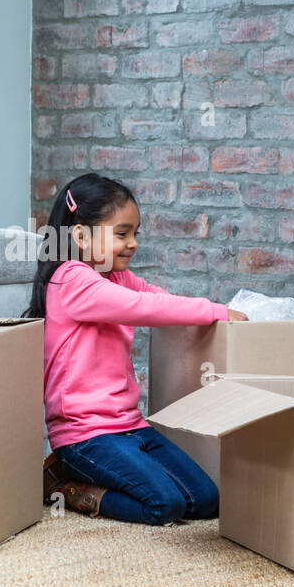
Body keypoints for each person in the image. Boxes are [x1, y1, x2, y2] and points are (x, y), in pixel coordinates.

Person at [27, 173, 247, 525]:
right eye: (121, 233)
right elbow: (145, 309)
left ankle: (92, 477)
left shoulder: (114, 277)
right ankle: (68, 487)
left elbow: (157, 298)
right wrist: (215, 311)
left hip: (130, 425)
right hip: (84, 435)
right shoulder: (70, 280)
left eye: (135, 233)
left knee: (206, 500)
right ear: (81, 236)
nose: (132, 243)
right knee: (164, 505)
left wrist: (216, 313)